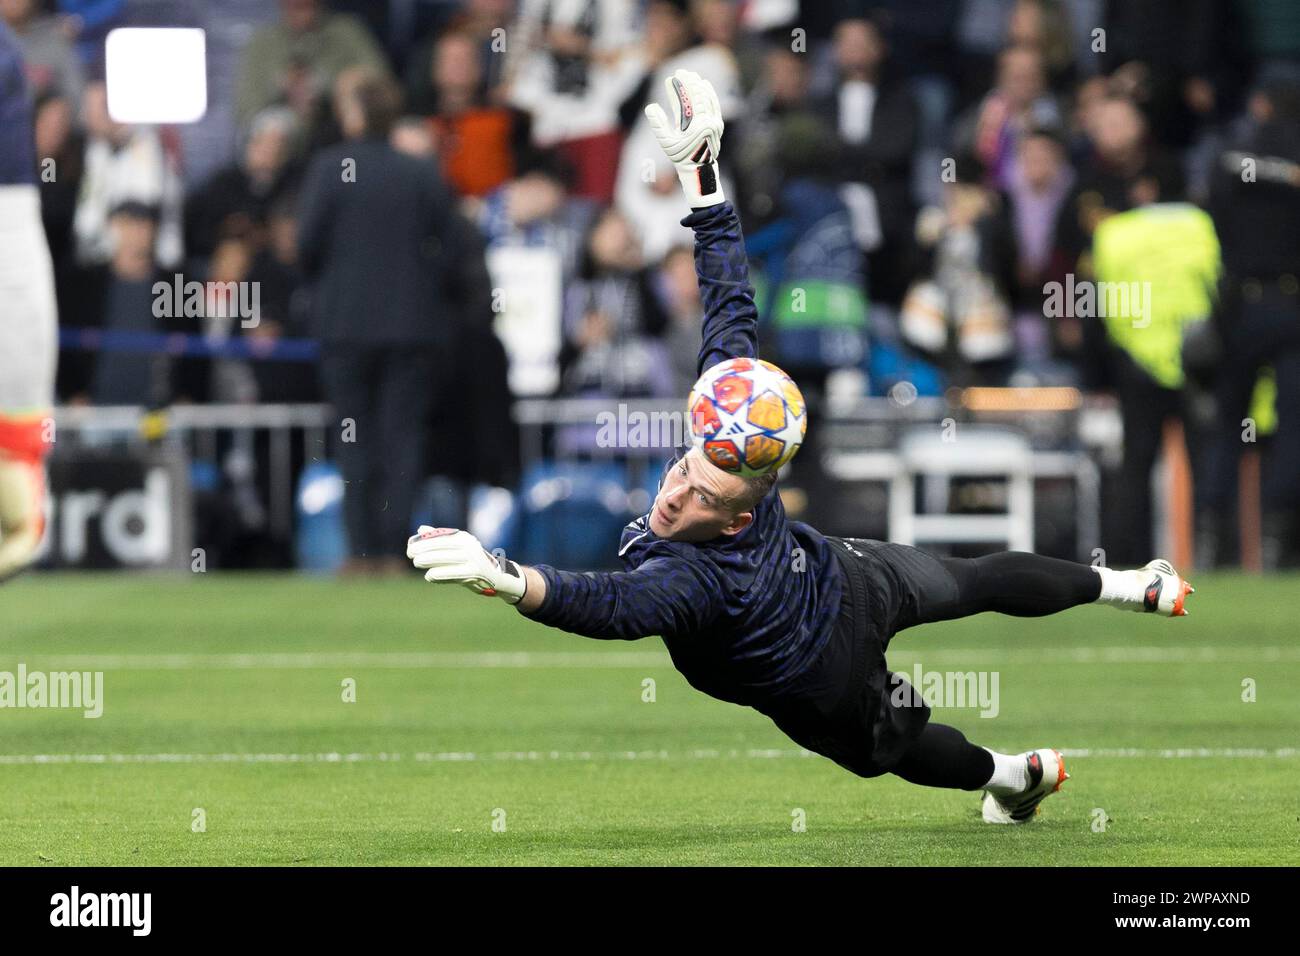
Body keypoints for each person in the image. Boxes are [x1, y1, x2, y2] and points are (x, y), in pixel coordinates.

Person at [406, 71, 1196, 823]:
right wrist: (704, 177)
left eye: (702, 498)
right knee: (973, 580)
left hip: (819, 672)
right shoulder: (738, 454)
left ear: (737, 516)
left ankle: (1012, 773)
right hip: (844, 573)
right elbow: (729, 304)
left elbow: (609, 606)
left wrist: (506, 578)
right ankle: (1123, 597)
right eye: (687, 471)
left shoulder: (693, 577)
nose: (677, 494)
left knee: (891, 745)